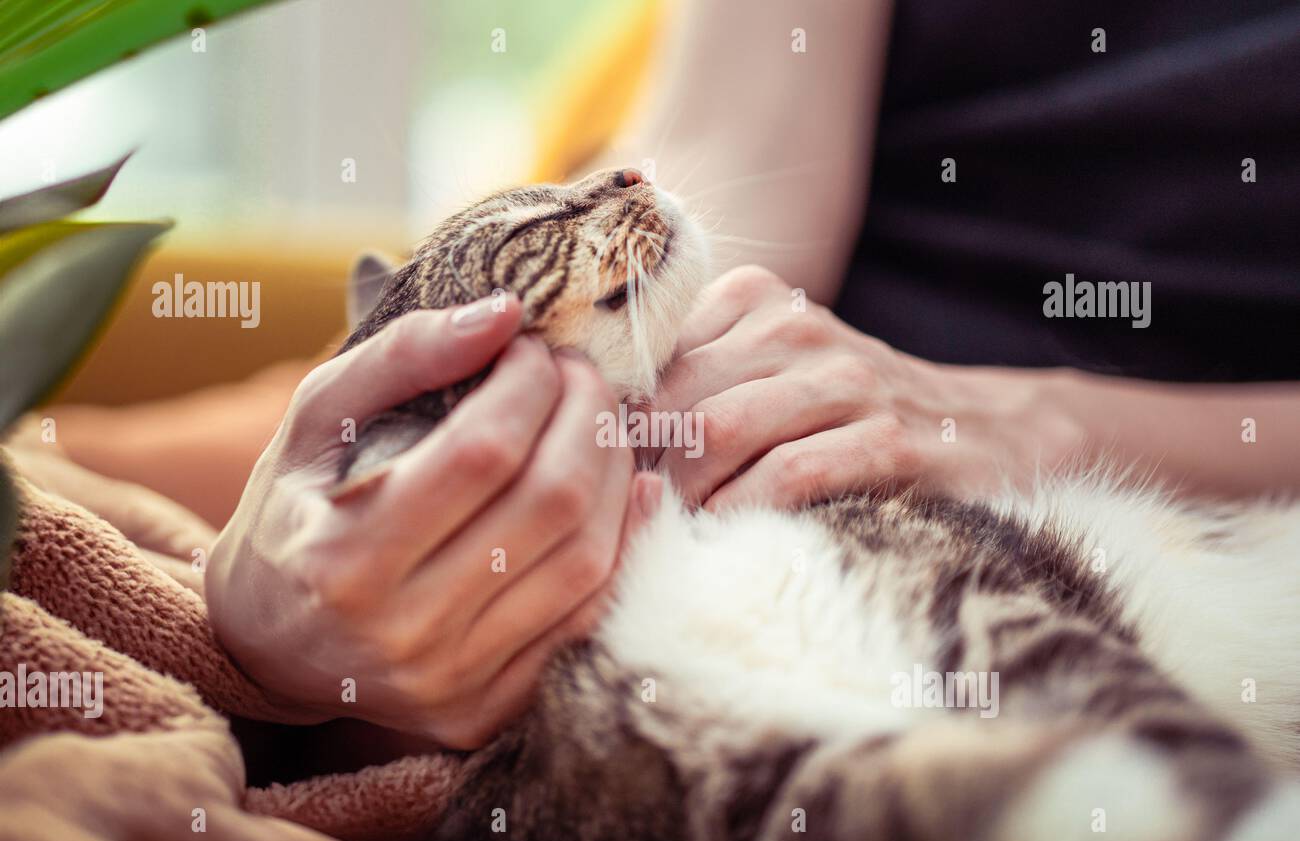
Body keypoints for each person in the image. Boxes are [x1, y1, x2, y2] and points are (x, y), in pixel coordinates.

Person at [205, 0, 1300, 747]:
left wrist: (1029, 420)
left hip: (1070, 514)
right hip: (745, 470)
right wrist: (269, 599)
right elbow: (715, 171)